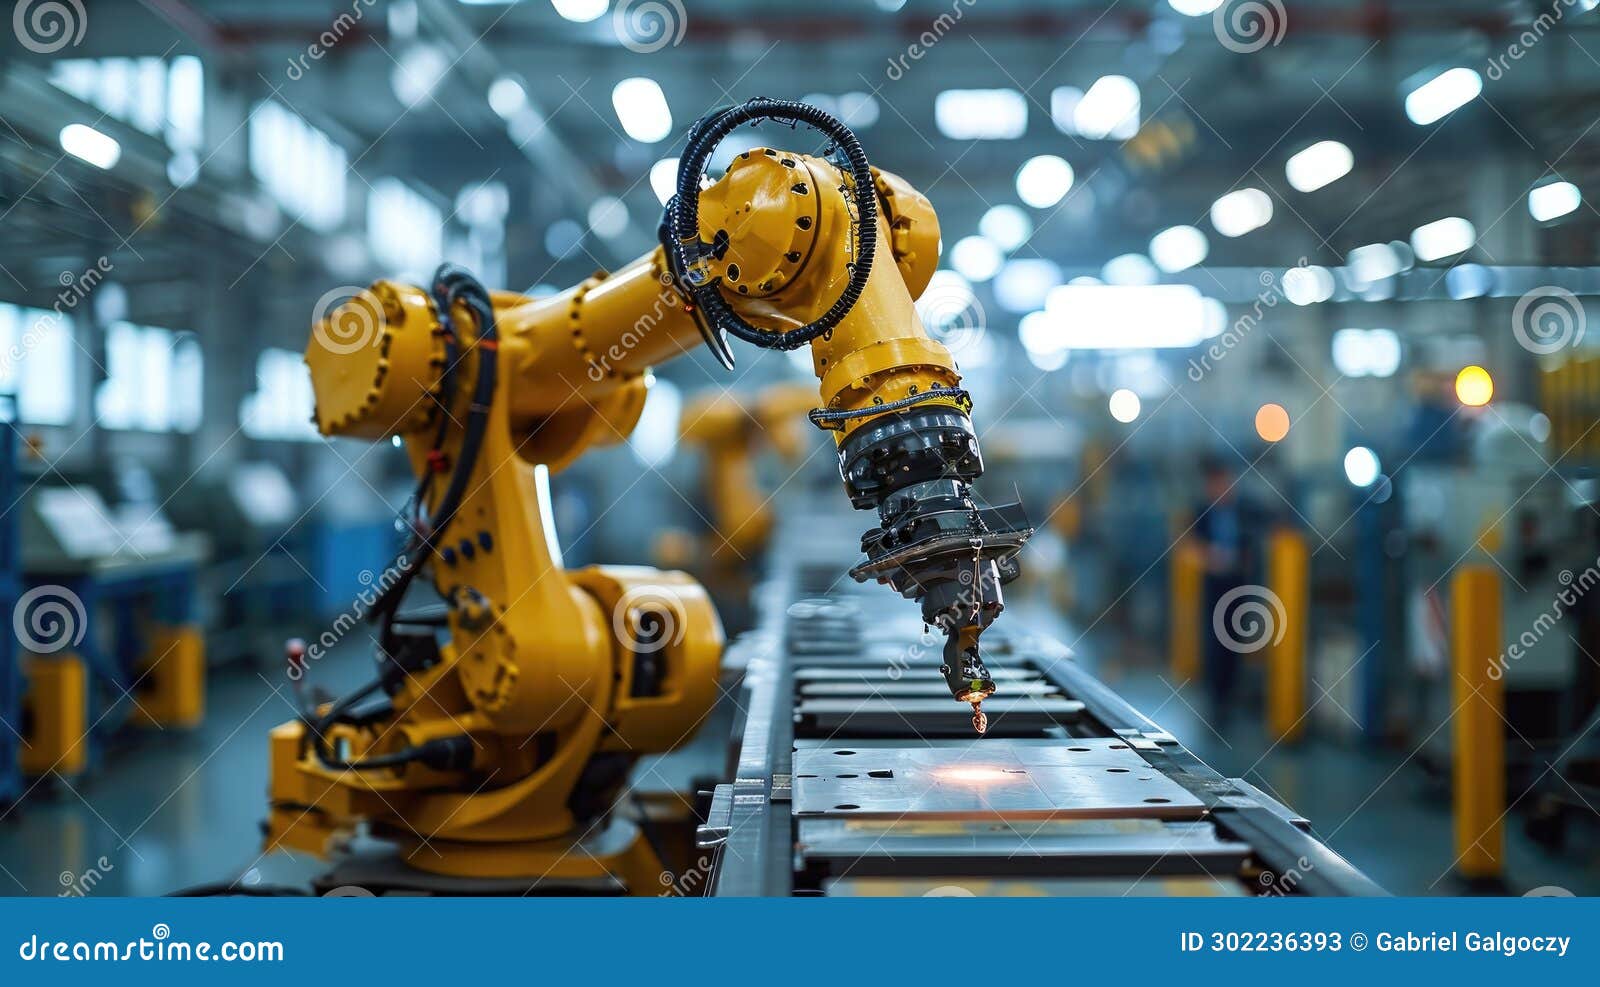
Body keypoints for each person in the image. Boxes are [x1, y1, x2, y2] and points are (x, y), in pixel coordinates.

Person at [1192, 455, 1254, 732]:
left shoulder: (1244, 512)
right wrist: (1210, 557)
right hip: (1214, 587)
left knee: (1235, 642)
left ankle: (1230, 698)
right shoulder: (1202, 514)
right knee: (1215, 643)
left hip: (1238, 586)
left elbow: (1256, 541)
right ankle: (1216, 702)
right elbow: (1192, 545)